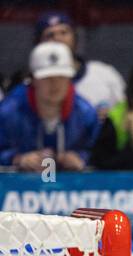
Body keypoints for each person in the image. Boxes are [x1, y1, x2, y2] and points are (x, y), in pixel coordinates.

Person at [0, 41, 98, 170]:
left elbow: (98, 154)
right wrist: (17, 159)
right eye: (47, 78)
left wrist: (81, 159)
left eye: (61, 77)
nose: (55, 84)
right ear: (33, 79)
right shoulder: (8, 112)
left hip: (70, 187)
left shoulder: (86, 114)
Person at [33, 10, 125, 116]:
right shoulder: (31, 83)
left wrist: (108, 120)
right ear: (38, 44)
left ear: (75, 37)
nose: (58, 38)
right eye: (50, 35)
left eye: (64, 32)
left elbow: (127, 113)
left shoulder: (105, 74)